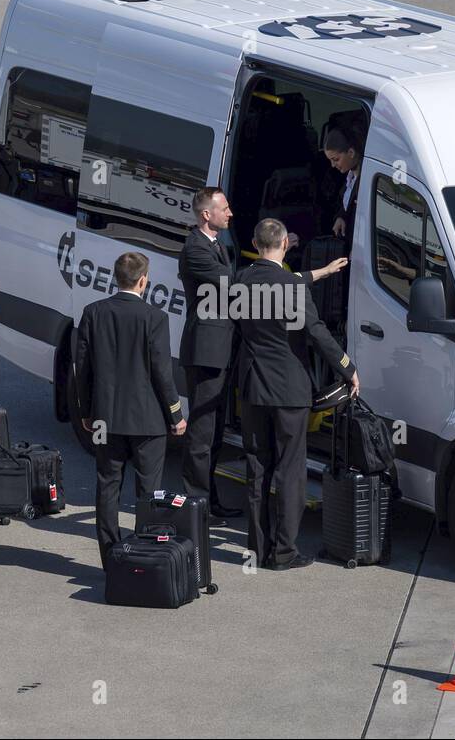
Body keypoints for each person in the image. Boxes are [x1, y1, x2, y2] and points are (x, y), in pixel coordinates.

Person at [178, 187, 345, 519]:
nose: (231, 213)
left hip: (225, 349)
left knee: (213, 432)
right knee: (201, 433)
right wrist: (311, 272)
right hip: (207, 351)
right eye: (224, 208)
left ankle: (208, 501)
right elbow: (243, 286)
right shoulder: (196, 249)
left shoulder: (214, 245)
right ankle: (195, 508)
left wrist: (276, 258)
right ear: (206, 215)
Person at [234, 219, 359, 570]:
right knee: (290, 470)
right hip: (289, 390)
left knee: (257, 467)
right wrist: (347, 368)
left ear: (256, 244)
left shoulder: (242, 280)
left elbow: (281, 282)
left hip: (253, 387)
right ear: (286, 244)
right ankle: (284, 552)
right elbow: (317, 333)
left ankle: (257, 550)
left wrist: (320, 272)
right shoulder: (292, 287)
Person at [76, 252, 187, 568]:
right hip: (147, 421)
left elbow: (81, 368)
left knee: (107, 486)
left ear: (116, 278)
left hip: (105, 419)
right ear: (143, 280)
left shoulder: (93, 312)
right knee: (148, 492)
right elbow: (162, 372)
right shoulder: (155, 317)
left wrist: (87, 411)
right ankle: (143, 559)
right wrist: (176, 415)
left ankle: (111, 559)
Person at [326, 127, 364, 244]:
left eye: (336, 159)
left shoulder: (366, 182)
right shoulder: (349, 178)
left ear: (351, 153)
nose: (333, 165)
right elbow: (347, 204)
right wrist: (341, 216)